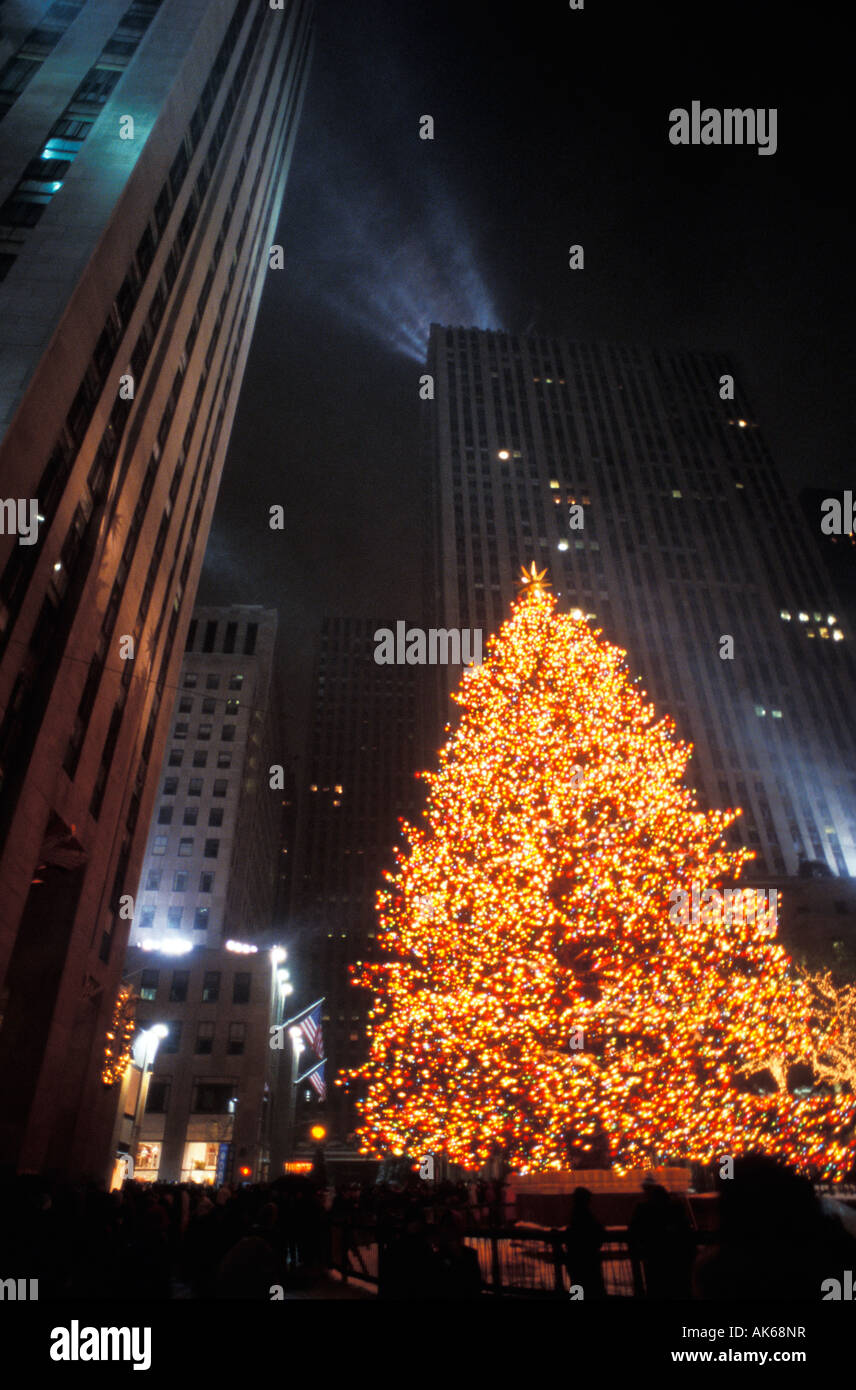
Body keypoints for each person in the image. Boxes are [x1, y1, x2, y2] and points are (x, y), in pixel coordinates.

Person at [564, 1187, 606, 1298]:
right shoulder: (584, 1214)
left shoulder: (575, 1214)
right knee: (591, 1287)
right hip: (588, 1259)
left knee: (577, 1287)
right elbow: (596, 1230)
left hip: (576, 1258)